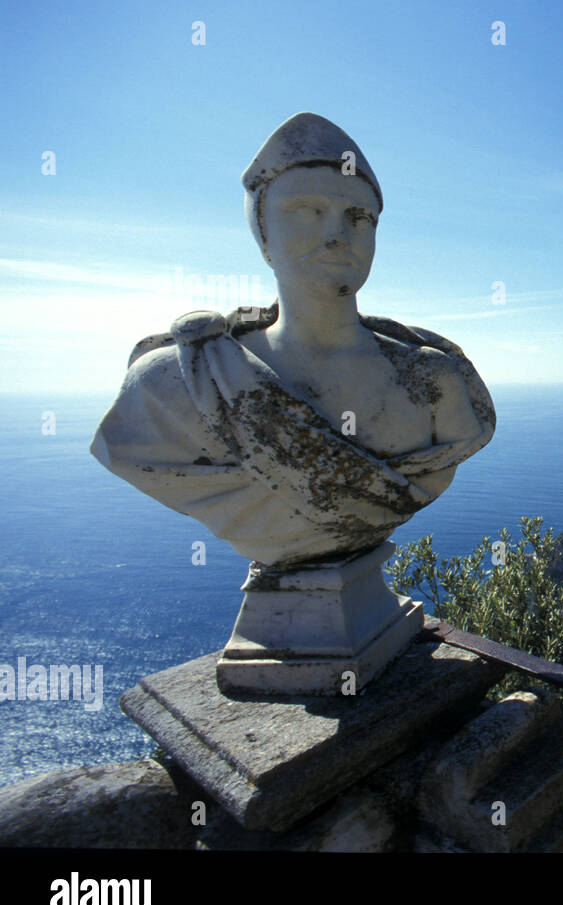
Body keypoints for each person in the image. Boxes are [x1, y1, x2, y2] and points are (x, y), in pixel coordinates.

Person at [91, 113, 495, 568]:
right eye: (308, 210)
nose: (336, 235)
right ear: (264, 234)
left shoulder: (436, 381)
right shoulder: (173, 384)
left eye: (358, 217)